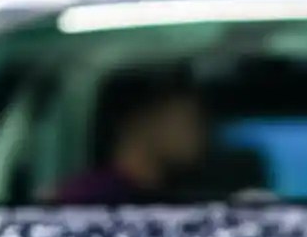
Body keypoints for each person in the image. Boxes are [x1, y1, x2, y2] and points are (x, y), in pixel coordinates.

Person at [55, 66, 207, 204]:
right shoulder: (88, 198)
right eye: (189, 120)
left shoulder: (172, 196)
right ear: (145, 119)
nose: (200, 133)